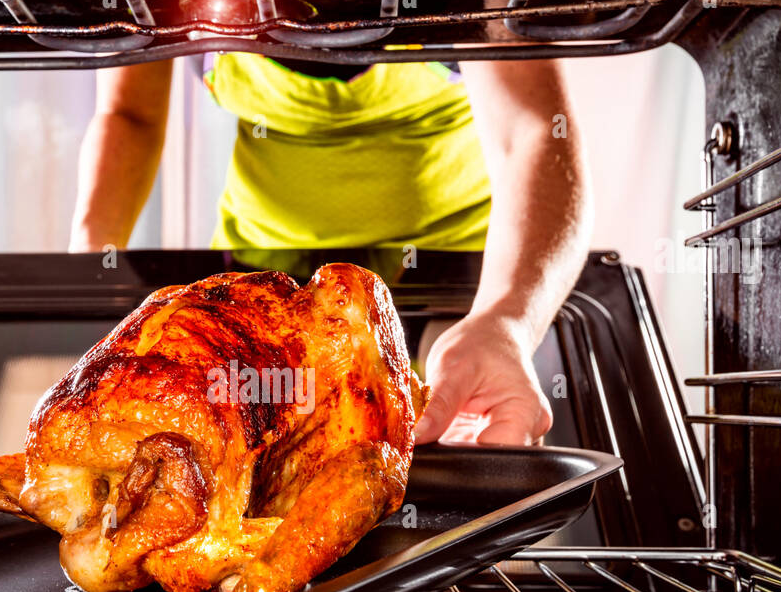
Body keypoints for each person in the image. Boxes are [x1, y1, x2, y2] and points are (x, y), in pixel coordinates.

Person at [69, 53, 592, 447]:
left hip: (452, 267)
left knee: (439, 464)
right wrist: (83, 269)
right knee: (245, 451)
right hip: (264, 268)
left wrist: (506, 320)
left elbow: (535, 132)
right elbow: (127, 115)